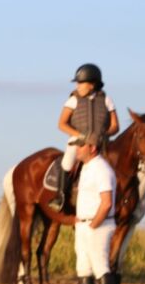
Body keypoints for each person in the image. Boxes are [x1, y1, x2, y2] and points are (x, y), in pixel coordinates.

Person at [50, 63, 119, 211]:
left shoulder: (106, 99)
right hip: (78, 141)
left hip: (101, 143)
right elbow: (61, 124)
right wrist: (80, 135)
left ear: (92, 85)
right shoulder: (73, 99)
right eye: (77, 83)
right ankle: (60, 196)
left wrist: (104, 134)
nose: (77, 86)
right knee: (68, 162)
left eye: (81, 83)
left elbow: (115, 126)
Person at [70, 132, 118, 284]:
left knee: (100, 267)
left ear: (92, 148)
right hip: (84, 224)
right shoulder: (87, 168)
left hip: (97, 225)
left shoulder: (102, 170)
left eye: (81, 145)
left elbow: (106, 202)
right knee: (83, 267)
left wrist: (93, 224)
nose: (77, 149)